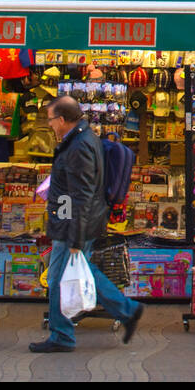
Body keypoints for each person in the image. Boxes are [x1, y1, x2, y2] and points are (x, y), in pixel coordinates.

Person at [30, 95, 144, 353]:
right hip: (72, 220)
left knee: (59, 278)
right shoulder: (81, 139)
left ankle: (62, 336)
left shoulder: (79, 145)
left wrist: (75, 238)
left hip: (74, 224)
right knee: (83, 272)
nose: (49, 125)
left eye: (50, 120)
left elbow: (82, 195)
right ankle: (127, 310)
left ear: (61, 119)